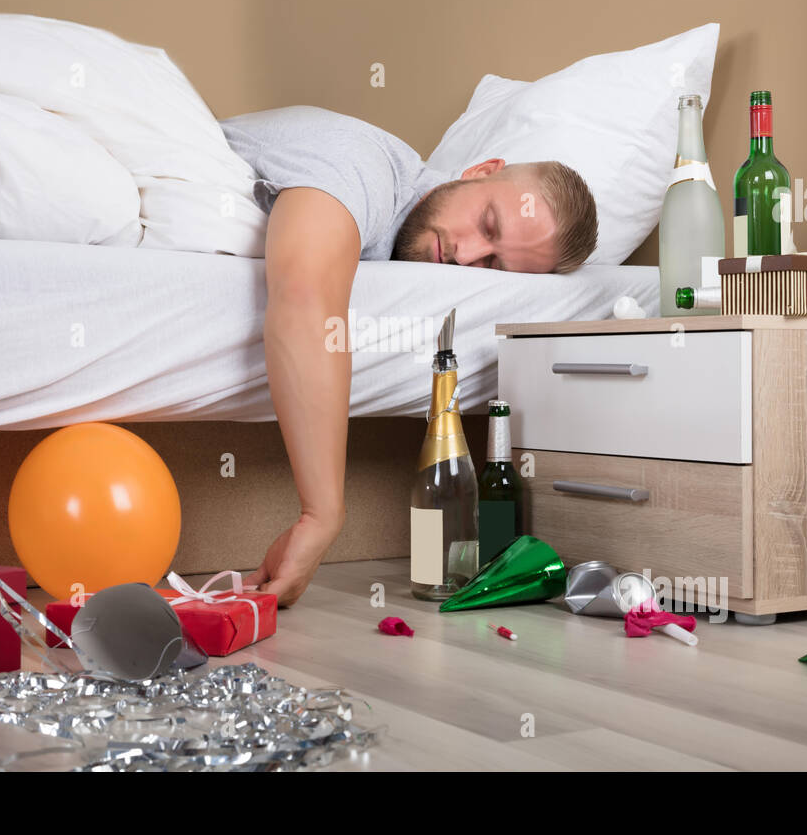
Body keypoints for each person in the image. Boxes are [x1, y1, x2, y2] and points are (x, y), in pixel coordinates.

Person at [218, 105, 599, 606]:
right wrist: (322, 515)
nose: (465, 256)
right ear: (480, 170)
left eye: (493, 265)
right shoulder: (363, 163)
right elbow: (304, 298)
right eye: (486, 224)